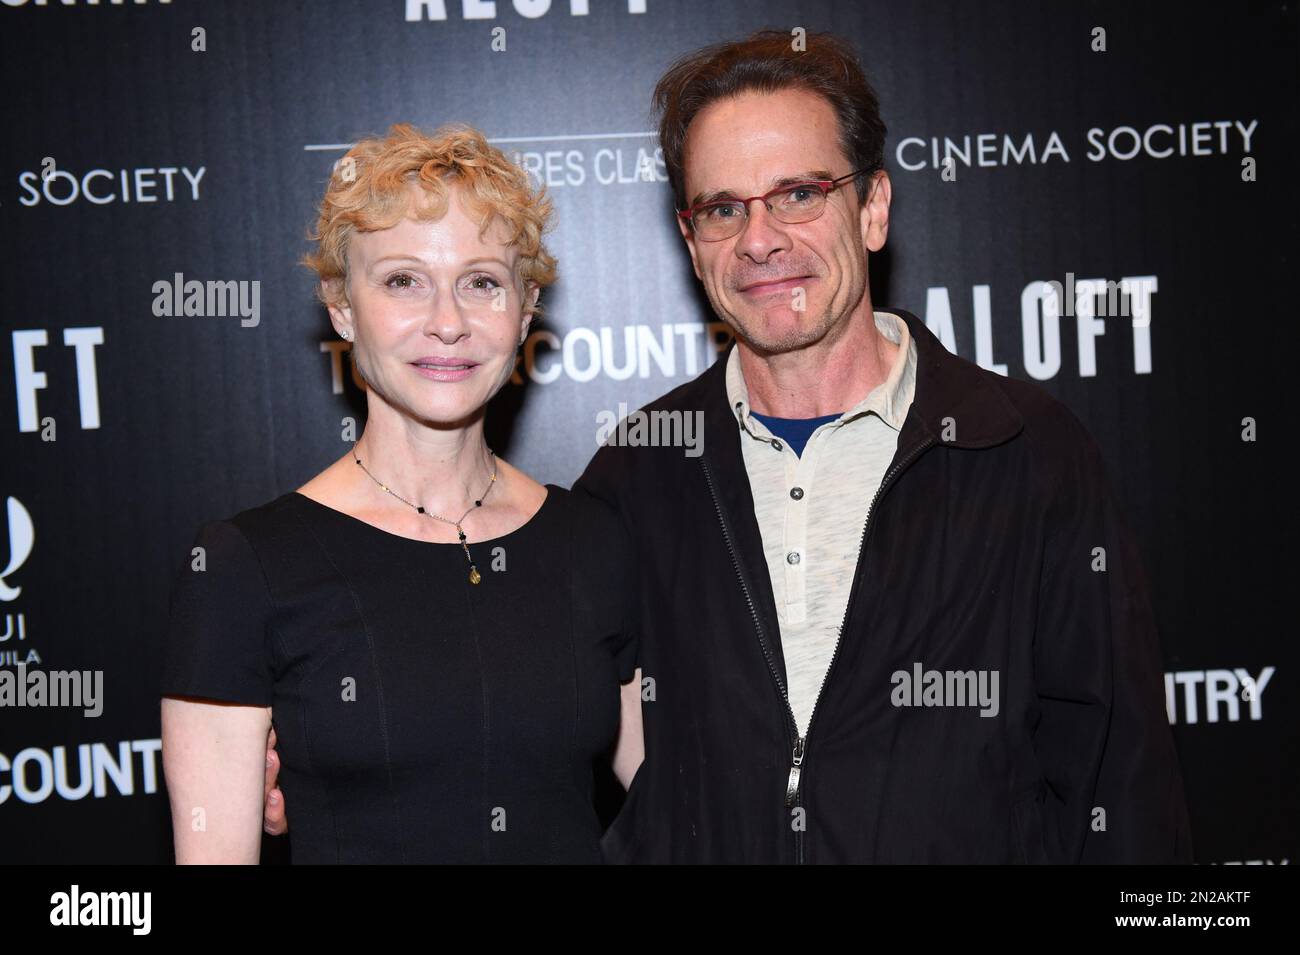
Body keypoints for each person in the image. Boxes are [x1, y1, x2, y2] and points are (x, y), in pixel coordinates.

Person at [265, 31, 1193, 864]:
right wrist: (315, 739)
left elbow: (1124, 775)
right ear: (690, 240)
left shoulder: (1024, 452)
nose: (761, 239)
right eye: (721, 209)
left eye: (798, 193)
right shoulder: (634, 478)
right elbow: (525, 693)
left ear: (872, 209)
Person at [161, 123, 643, 863]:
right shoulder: (244, 567)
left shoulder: (592, 539)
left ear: (525, 308)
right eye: (402, 280)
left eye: (482, 281)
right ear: (342, 306)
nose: (447, 322)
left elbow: (680, 801)